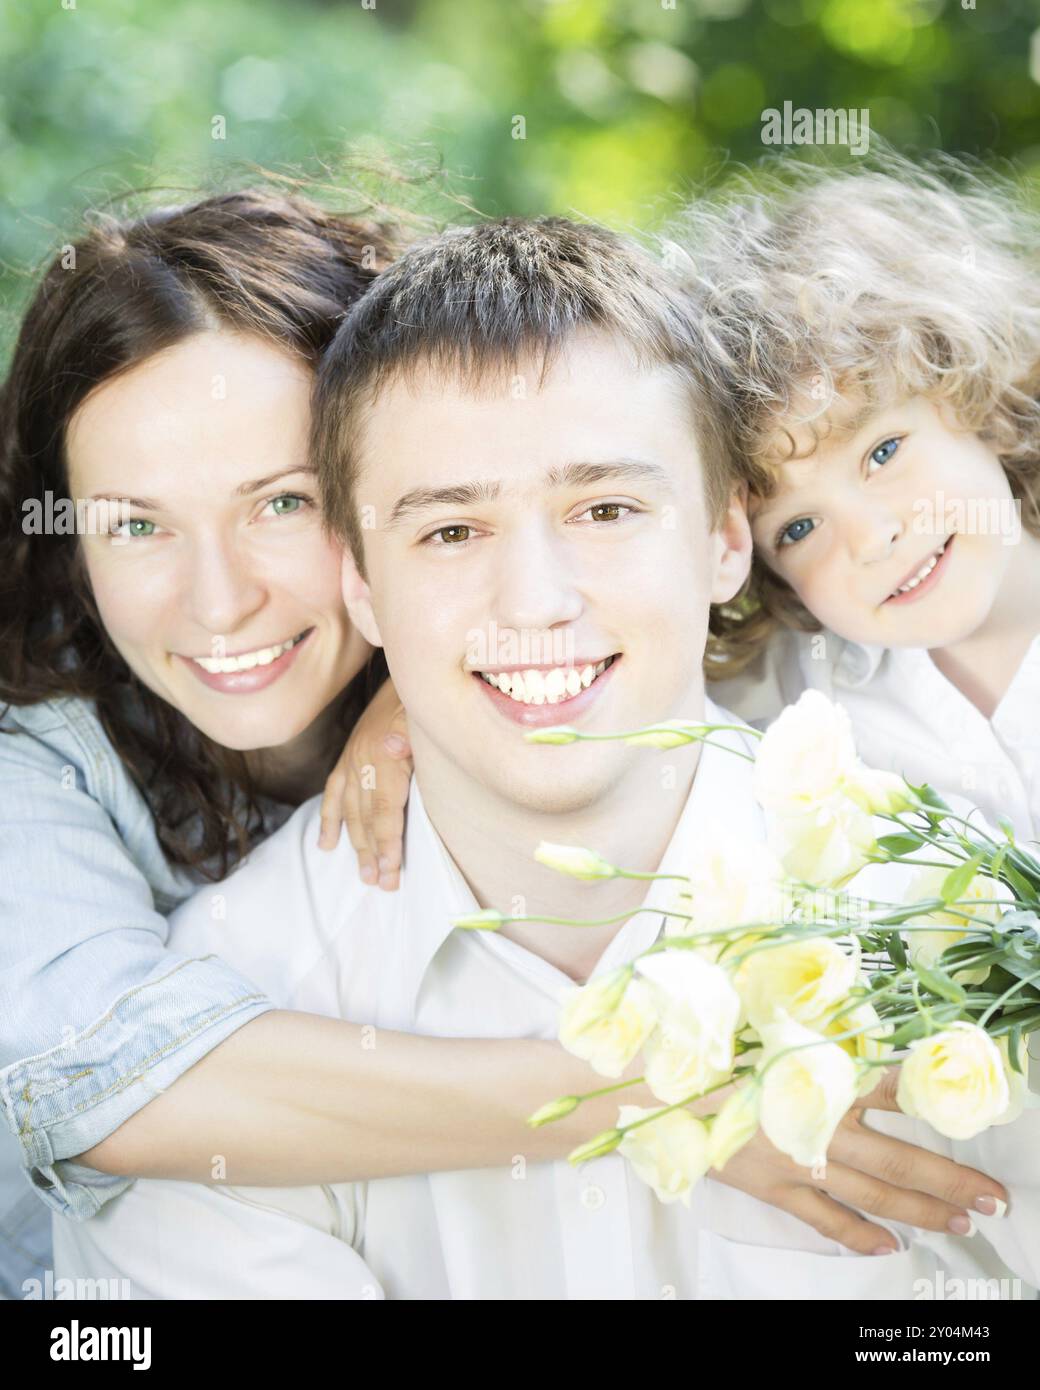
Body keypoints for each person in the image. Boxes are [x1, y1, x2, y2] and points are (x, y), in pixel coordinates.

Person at [51, 216, 1035, 1299]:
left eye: (604, 508)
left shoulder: (957, 932)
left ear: (722, 541)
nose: (535, 601)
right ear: (361, 583)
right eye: (450, 532)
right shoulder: (233, 1030)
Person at [678, 158, 1040, 846]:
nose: (872, 538)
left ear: (973, 390)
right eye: (799, 528)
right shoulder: (784, 701)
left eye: (883, 452)